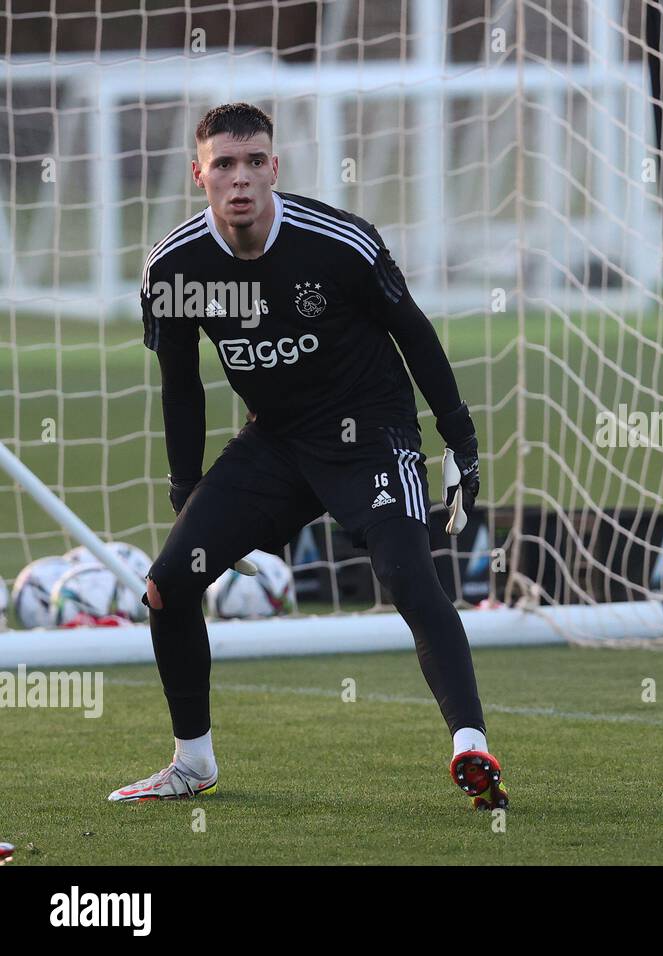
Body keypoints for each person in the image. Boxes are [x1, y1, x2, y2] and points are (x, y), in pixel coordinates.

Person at [110, 102, 506, 810]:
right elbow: (180, 386)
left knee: (406, 574)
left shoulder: (339, 242)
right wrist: (187, 494)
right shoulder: (174, 267)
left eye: (255, 161)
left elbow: (413, 332)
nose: (240, 179)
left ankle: (471, 745)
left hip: (371, 433)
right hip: (276, 442)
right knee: (167, 585)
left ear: (275, 168)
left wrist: (461, 440)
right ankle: (193, 763)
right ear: (197, 173)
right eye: (224, 164)